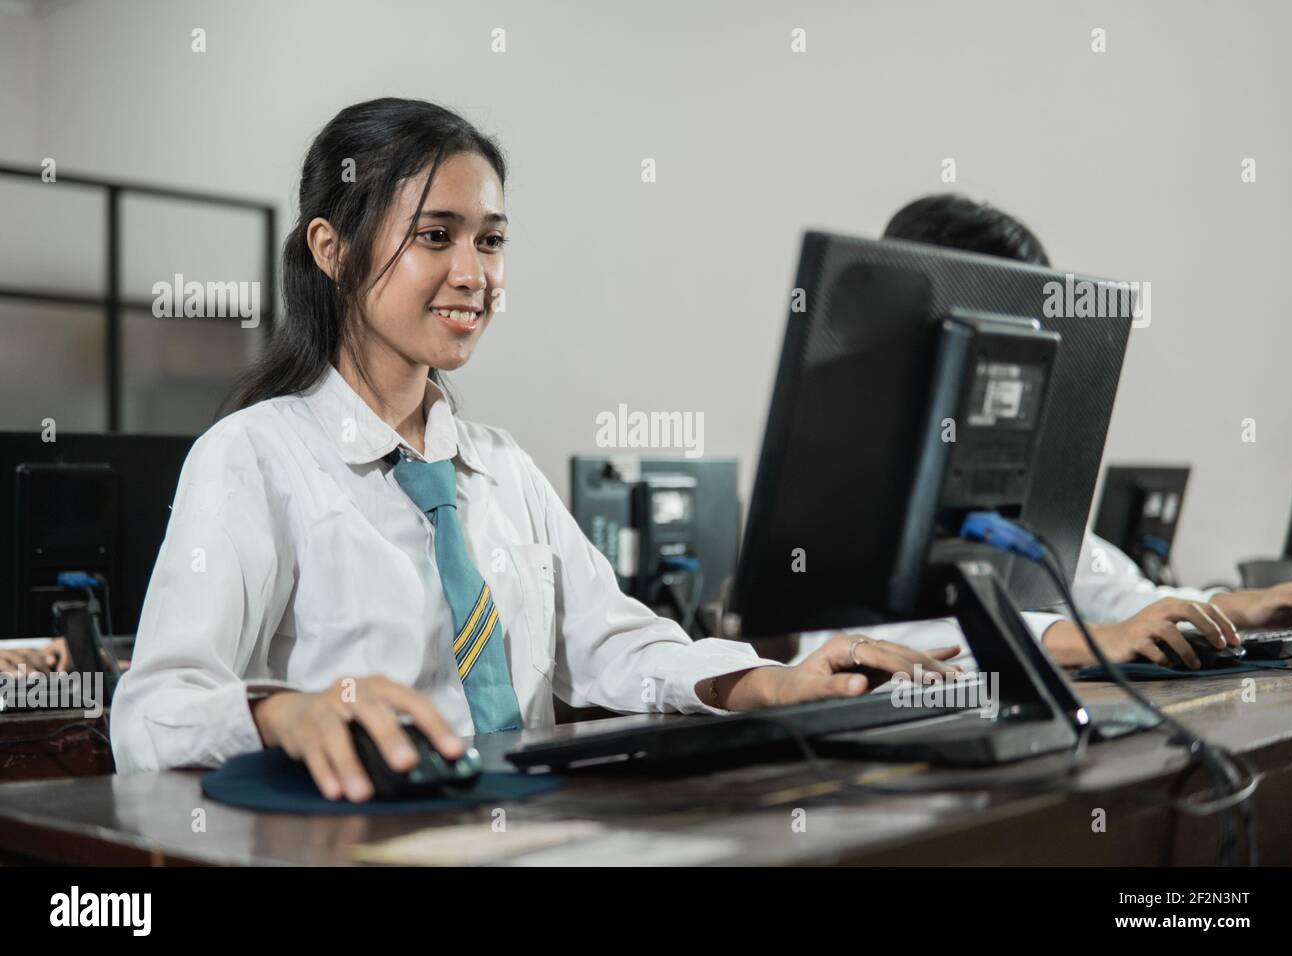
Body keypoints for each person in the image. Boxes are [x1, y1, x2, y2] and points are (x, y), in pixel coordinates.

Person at [108, 98, 962, 802]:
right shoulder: (252, 457)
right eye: (436, 236)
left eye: (491, 239)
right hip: (355, 841)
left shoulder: (498, 467)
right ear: (332, 250)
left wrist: (766, 683)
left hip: (519, 825)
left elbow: (617, 644)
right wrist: (278, 713)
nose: (475, 273)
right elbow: (152, 710)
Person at [879, 194, 1292, 667]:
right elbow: (876, 642)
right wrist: (1091, 639)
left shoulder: (1008, 488)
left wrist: (1248, 609)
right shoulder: (854, 475)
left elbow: (1122, 599)